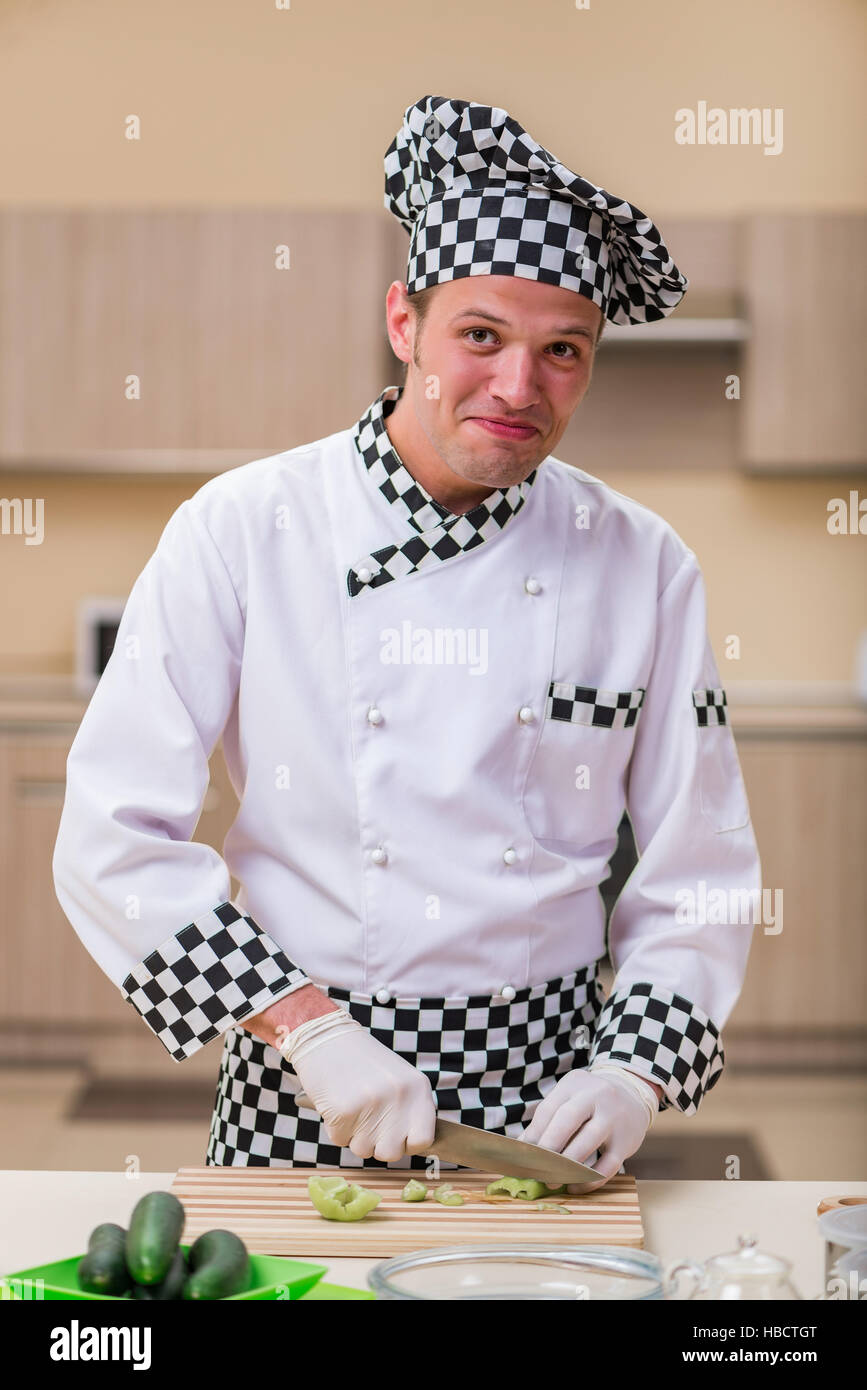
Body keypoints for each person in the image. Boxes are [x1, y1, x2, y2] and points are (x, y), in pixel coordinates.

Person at [52, 95, 761, 1187]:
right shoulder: (244, 526)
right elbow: (113, 832)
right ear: (404, 325)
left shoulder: (645, 561)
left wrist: (636, 1072)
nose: (518, 389)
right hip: (308, 1084)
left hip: (552, 1103)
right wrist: (306, 1027)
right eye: (480, 335)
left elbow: (701, 871)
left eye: (562, 350)